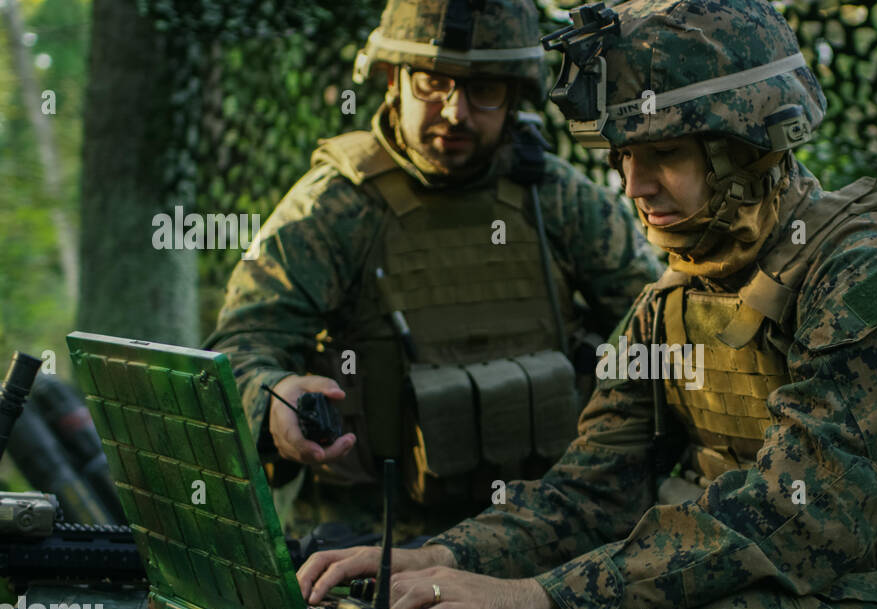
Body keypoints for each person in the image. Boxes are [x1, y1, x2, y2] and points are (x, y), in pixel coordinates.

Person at [298, 0, 877, 609]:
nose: (635, 186)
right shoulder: (675, 301)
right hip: (810, 605)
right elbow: (588, 495)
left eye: (664, 155)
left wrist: (545, 593)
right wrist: (447, 560)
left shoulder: (875, 276)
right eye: (627, 156)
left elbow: (801, 517)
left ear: (747, 147)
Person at [205, 0, 661, 542]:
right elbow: (239, 348)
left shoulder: (559, 203)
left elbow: (659, 325)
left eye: (482, 89)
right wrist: (275, 395)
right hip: (370, 552)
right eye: (431, 82)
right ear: (393, 80)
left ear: (516, 96)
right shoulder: (333, 210)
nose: (454, 112)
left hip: (540, 542)